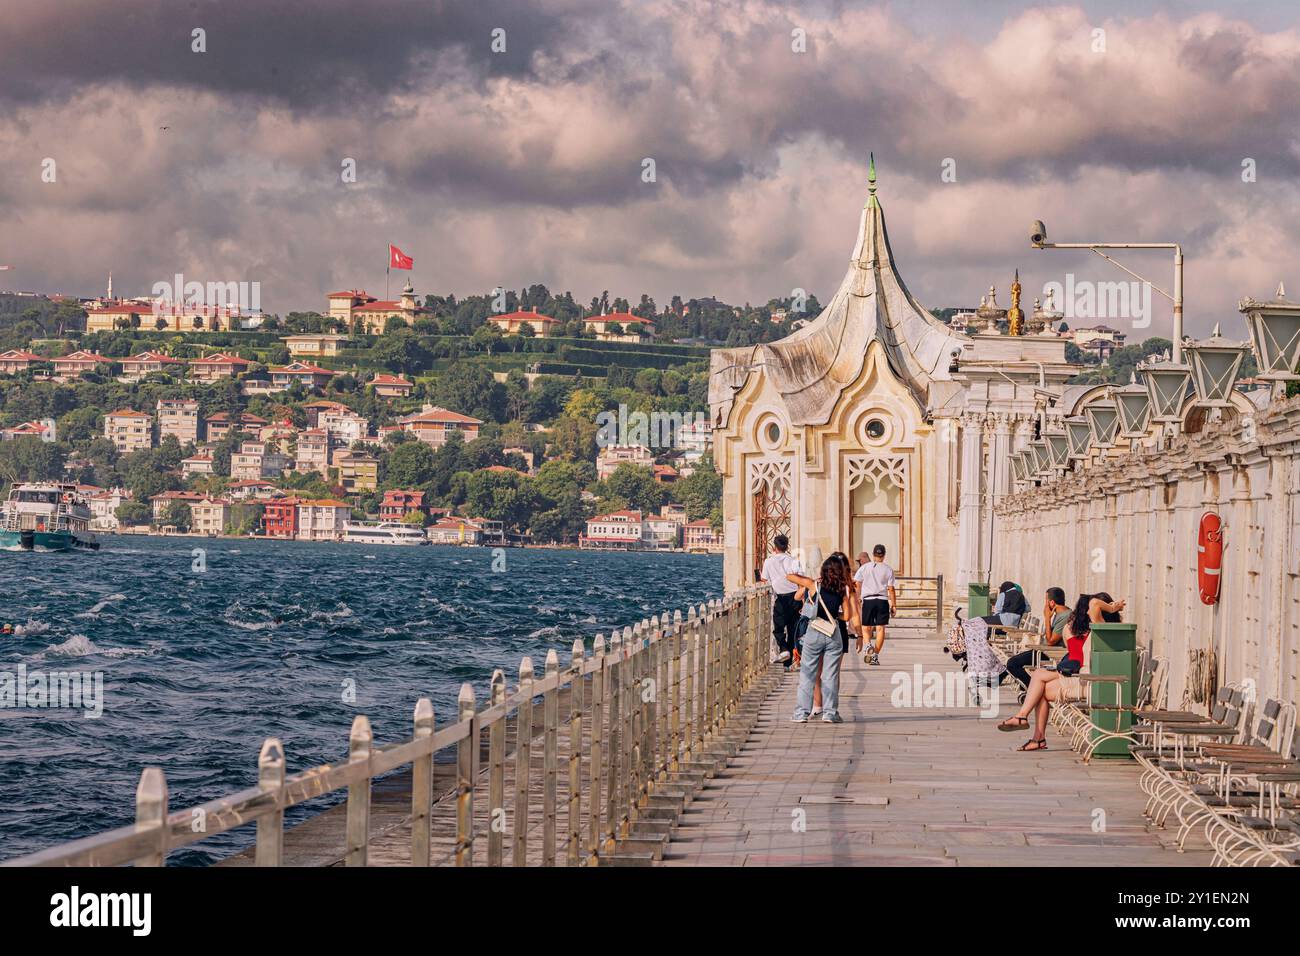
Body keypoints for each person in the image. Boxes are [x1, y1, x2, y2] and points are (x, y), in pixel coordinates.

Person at [996, 592, 1126, 751]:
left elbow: (1094, 603)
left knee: (1039, 684)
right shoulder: (1104, 631)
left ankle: (1030, 727)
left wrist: (1113, 608)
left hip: (1089, 682)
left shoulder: (1104, 629)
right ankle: (1031, 729)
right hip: (1085, 678)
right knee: (1039, 681)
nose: (1087, 613)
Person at [788, 557, 850, 723]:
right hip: (833, 633)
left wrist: (812, 580)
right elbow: (848, 615)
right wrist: (835, 616)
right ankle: (830, 713)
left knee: (807, 673)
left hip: (814, 631)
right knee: (830, 675)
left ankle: (801, 713)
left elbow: (790, 577)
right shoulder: (842, 589)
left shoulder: (815, 585)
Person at [1004, 587, 1068, 691]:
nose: (1045, 604)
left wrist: (1047, 618)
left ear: (1051, 602)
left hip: (1054, 653)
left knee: (1013, 664)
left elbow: (1051, 641)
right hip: (1047, 651)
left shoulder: (1065, 616)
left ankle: (1034, 690)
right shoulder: (1059, 614)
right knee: (1012, 662)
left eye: (1046, 601)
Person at [759, 534, 803, 667]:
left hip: (779, 597)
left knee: (778, 627)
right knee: (793, 627)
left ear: (774, 546)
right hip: (794, 596)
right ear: (787, 546)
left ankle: (783, 649)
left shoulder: (769, 561)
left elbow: (764, 579)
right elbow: (800, 578)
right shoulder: (793, 560)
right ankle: (788, 659)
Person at [854, 544, 896, 665]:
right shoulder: (888, 569)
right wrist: (893, 605)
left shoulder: (864, 568)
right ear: (884, 555)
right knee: (880, 629)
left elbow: (857, 584)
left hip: (868, 600)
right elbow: (891, 589)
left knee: (865, 627)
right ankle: (875, 655)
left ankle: (867, 646)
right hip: (882, 600)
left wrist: (858, 598)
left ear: (873, 555)